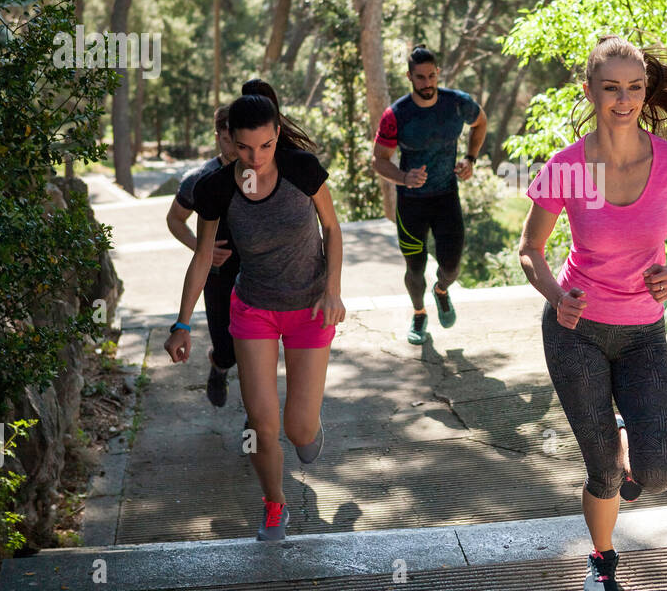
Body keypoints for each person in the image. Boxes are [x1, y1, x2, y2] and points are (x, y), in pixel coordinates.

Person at [518, 33, 667, 591]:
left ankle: (619, 435)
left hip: (641, 332)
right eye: (610, 88)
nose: (624, 99)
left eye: (634, 88)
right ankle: (603, 562)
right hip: (575, 330)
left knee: (657, 473)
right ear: (589, 91)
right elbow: (530, 249)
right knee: (605, 467)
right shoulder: (570, 167)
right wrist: (557, 293)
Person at [164, 80, 346, 542]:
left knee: (297, 427)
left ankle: (309, 429)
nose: (256, 157)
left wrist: (333, 290)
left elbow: (332, 227)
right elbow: (202, 256)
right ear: (229, 140)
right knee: (262, 422)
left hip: (308, 306)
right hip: (254, 310)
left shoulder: (302, 169)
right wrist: (182, 323)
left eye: (265, 145)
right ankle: (274, 505)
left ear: (277, 132)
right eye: (244, 147)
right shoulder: (214, 189)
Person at [371, 44, 488, 345]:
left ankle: (441, 290)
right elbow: (379, 160)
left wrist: (470, 159)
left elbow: (480, 122)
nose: (427, 84)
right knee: (415, 267)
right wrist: (404, 177)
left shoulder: (457, 103)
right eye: (420, 77)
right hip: (411, 204)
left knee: (451, 266)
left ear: (438, 74)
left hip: (446, 196)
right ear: (409, 77)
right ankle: (419, 313)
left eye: (431, 76)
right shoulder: (396, 114)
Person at [165, 106, 238, 407]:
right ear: (218, 136)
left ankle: (257, 418)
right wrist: (200, 246)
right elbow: (174, 219)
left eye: (238, 137)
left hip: (255, 275)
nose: (233, 145)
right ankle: (218, 365)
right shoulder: (199, 179)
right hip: (217, 275)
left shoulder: (261, 174)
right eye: (227, 138)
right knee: (227, 348)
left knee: (255, 350)